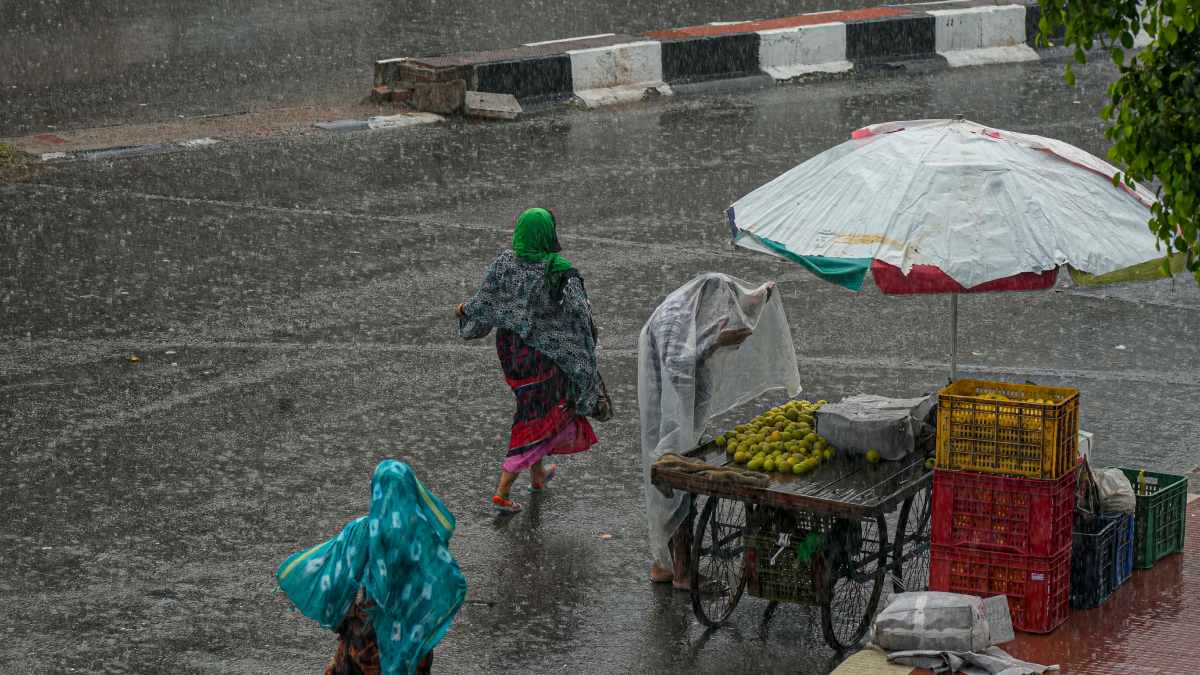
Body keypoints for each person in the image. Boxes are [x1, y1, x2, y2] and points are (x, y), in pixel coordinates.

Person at [638, 273, 800, 589]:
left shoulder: (695, 303)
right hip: (669, 413)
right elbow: (678, 366)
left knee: (669, 481)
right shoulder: (677, 322)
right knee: (676, 481)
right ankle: (682, 571)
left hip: (679, 407)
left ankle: (664, 564)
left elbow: (737, 306)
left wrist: (760, 296)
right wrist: (716, 341)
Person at [456, 207, 610, 515]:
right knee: (538, 417)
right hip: (546, 359)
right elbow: (580, 313)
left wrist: (464, 310)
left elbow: (484, 302)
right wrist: (583, 347)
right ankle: (503, 487)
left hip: (514, 356)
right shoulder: (558, 269)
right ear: (548, 234)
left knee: (535, 409)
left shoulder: (503, 264)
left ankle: (538, 475)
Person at [276, 460, 467, 675]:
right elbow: (448, 579)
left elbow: (330, 569)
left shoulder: (362, 531)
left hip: (365, 638)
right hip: (411, 635)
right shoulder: (425, 536)